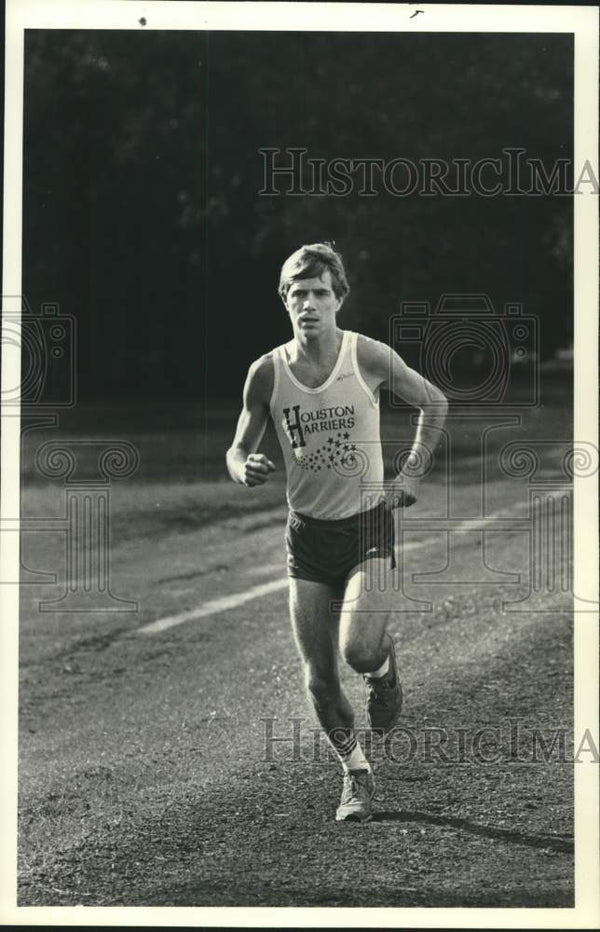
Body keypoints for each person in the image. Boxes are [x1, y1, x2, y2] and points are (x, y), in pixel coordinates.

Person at [226, 243, 448, 822]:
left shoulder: (364, 356)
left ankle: (383, 667)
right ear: (284, 301)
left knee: (358, 650)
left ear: (339, 299)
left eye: (320, 292)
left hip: (368, 523)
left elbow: (435, 402)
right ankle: (356, 775)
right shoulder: (267, 373)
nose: (308, 303)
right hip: (307, 538)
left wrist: (413, 471)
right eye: (297, 293)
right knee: (319, 680)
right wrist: (242, 467)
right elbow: (238, 445)